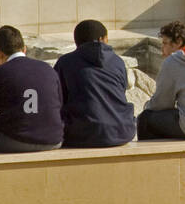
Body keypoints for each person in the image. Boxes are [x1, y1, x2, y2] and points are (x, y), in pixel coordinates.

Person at [54, 19, 136, 148]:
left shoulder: (65, 62)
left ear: (77, 42)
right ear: (103, 38)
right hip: (122, 132)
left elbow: (57, 99)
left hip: (82, 134)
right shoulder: (117, 61)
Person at [0, 25, 63, 152]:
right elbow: (59, 104)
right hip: (53, 139)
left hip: (14, 141)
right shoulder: (48, 69)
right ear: (24, 49)